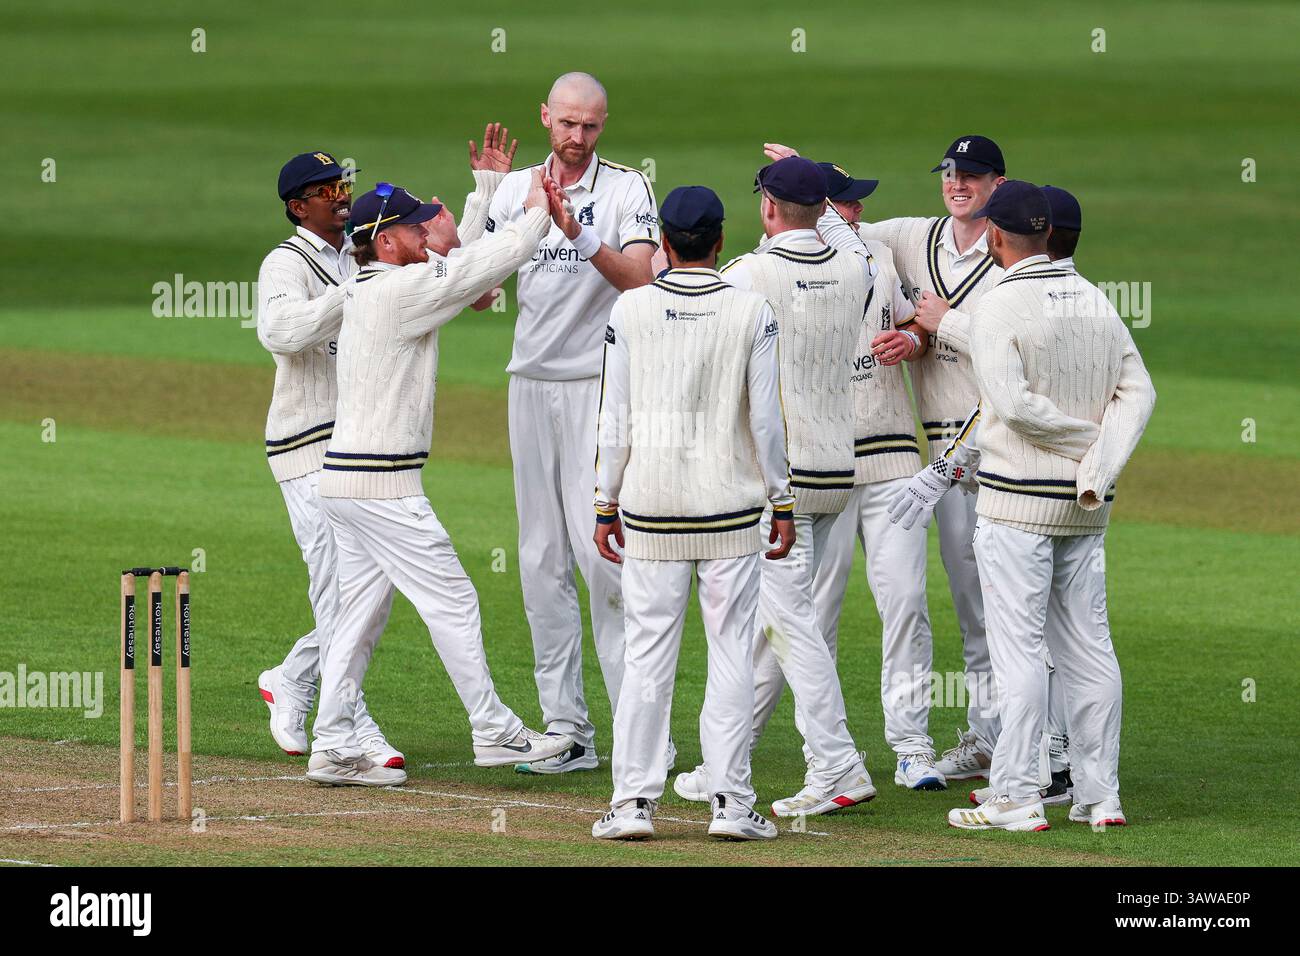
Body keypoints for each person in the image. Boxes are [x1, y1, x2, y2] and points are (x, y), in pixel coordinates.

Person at [306, 168, 576, 785]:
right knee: (453, 600)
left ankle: (332, 741)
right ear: (383, 241)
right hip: (383, 486)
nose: (422, 233)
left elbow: (462, 268)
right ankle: (493, 729)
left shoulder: (375, 286)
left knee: (359, 614)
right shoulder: (399, 291)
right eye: (410, 227)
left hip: (347, 483)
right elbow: (477, 267)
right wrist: (535, 210)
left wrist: (481, 198)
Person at [938, 181, 1155, 831]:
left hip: (1015, 508)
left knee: (1019, 654)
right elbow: (1138, 393)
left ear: (998, 238)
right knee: (1089, 651)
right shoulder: (1095, 299)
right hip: (1084, 509)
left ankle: (1016, 793)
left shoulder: (1001, 303)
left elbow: (1010, 406)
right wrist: (1099, 462)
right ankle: (1099, 795)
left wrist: (1084, 442)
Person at [674, 157, 878, 818]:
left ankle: (838, 763)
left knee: (790, 626)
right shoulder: (854, 268)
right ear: (821, 207)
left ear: (766, 209)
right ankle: (720, 765)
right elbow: (847, 239)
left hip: (774, 484)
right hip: (835, 473)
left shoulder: (748, 274)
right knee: (771, 629)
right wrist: (817, 181)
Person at [589, 186, 793, 841]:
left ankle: (631, 805)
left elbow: (613, 417)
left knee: (647, 658)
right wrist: (782, 498)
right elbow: (766, 420)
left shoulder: (632, 307)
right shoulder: (752, 309)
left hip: (651, 510)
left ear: (665, 246)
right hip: (729, 512)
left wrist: (604, 500)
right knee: (733, 656)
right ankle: (731, 804)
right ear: (721, 242)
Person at [485, 72, 660, 774]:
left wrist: (577, 232)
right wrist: (485, 200)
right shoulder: (513, 187)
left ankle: (638, 739)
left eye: (590, 126)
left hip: (598, 387)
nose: (577, 138)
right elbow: (479, 290)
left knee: (601, 560)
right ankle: (569, 731)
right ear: (545, 117)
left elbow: (645, 281)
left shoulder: (626, 190)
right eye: (566, 124)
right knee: (539, 560)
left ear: (603, 125)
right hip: (528, 385)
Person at [895, 184, 1091, 808]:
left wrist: (945, 468)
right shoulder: (1085, 300)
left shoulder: (1024, 303)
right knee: (1051, 633)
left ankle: (1045, 766)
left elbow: (1003, 403)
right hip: (1068, 497)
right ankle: (1073, 777)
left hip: (1020, 495)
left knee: (1028, 634)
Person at [856, 135, 1010, 781]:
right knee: (970, 601)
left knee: (991, 607)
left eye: (971, 176)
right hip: (934, 454)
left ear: (997, 184)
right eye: (950, 173)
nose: (957, 184)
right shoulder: (912, 236)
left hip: (993, 450)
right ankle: (987, 737)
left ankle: (1022, 744)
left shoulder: (1013, 254)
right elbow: (838, 220)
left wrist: (939, 323)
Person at [255, 150, 398, 768]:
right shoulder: (285, 263)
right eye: (325, 189)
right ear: (297, 205)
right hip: (306, 444)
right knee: (338, 591)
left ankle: (293, 677)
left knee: (375, 585)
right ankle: (351, 725)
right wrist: (355, 293)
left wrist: (483, 199)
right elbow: (282, 333)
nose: (341, 195)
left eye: (343, 184)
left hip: (358, 446)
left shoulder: (354, 253)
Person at [806, 162, 945, 792]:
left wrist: (911, 341)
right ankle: (826, 751)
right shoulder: (776, 262)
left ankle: (912, 746)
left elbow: (912, 321)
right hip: (821, 464)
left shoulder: (881, 255)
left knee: (907, 603)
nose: (860, 213)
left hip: (891, 455)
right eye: (847, 203)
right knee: (815, 616)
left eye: (860, 205)